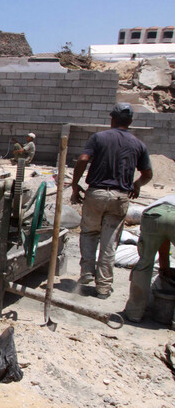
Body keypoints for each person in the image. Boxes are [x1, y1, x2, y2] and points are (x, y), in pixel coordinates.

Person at [71, 103, 153, 299]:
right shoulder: (138, 144)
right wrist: (137, 184)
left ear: (112, 119)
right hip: (119, 197)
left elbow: (83, 159)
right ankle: (103, 288)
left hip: (96, 194)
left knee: (89, 232)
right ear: (131, 122)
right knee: (109, 242)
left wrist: (75, 184)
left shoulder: (99, 138)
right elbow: (148, 174)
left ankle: (87, 273)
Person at [124, 195, 175, 322]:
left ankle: (134, 312)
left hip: (154, 214)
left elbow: (163, 242)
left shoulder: (166, 199)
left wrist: (164, 268)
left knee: (145, 263)